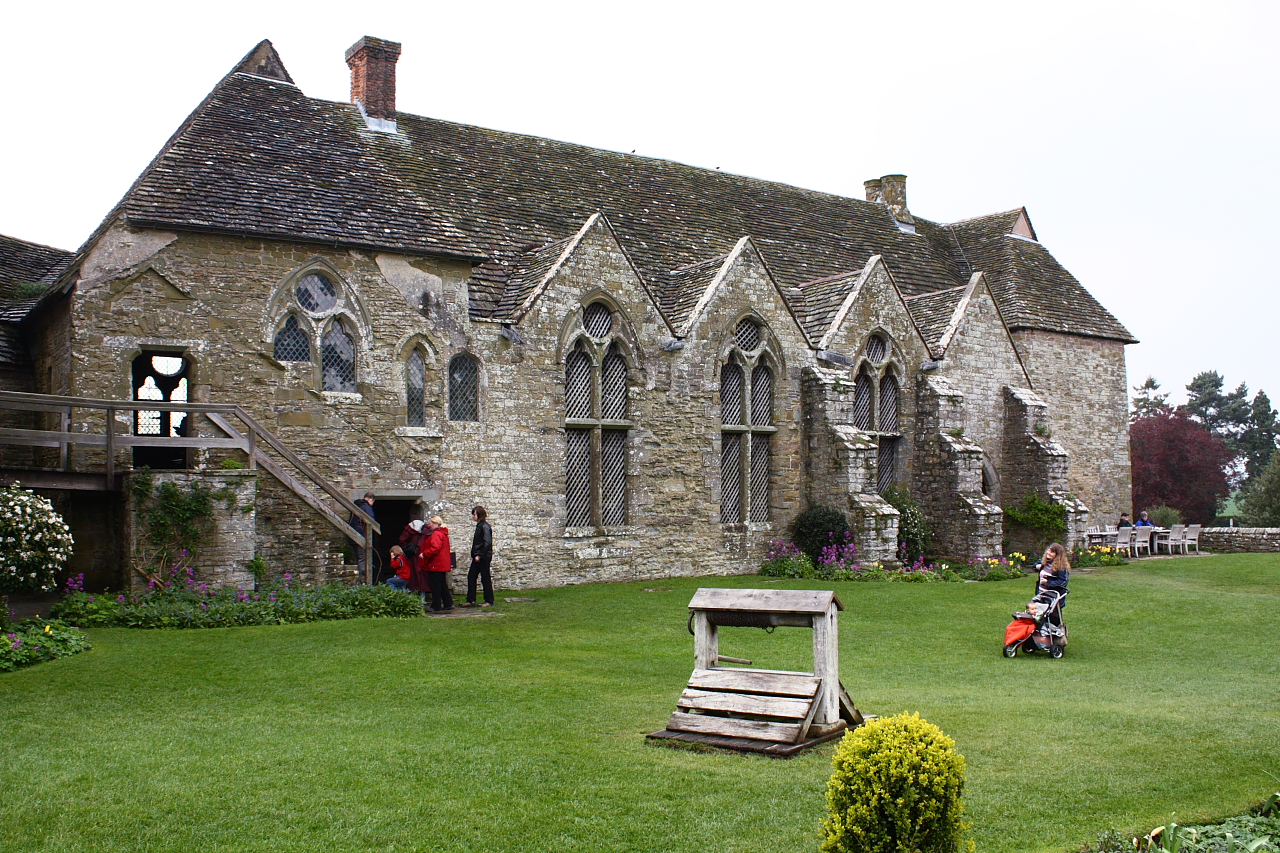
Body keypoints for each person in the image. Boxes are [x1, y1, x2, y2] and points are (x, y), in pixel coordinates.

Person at [419, 515, 454, 612]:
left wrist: (425, 554)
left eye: (431, 523)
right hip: (441, 563)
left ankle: (436, 605)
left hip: (436, 563)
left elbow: (435, 548)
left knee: (435, 585)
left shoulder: (436, 534)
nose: (429, 525)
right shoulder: (443, 534)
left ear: (435, 523)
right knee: (442, 584)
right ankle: (448, 603)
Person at [461, 505, 494, 608]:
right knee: (471, 576)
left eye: (474, 514)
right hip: (478, 556)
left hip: (482, 557)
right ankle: (471, 600)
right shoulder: (480, 526)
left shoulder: (485, 526)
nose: (473, 516)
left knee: (485, 578)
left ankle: (489, 600)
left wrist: (480, 555)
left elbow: (487, 542)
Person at [1034, 543, 1070, 630]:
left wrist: (1048, 582)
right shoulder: (1045, 562)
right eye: (1048, 551)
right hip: (1041, 594)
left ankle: (1056, 636)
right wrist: (1037, 566)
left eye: (1051, 553)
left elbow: (1063, 581)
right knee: (1039, 616)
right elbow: (1035, 565)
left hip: (1053, 598)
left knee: (1053, 619)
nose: (1048, 554)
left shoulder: (1061, 567)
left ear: (1057, 555)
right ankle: (1041, 636)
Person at [350, 491, 376, 580]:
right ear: (370, 500)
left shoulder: (356, 505)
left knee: (359, 557)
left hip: (353, 534)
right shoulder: (366, 507)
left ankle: (362, 577)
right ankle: (364, 579)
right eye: (373, 502)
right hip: (361, 534)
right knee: (363, 557)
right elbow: (372, 522)